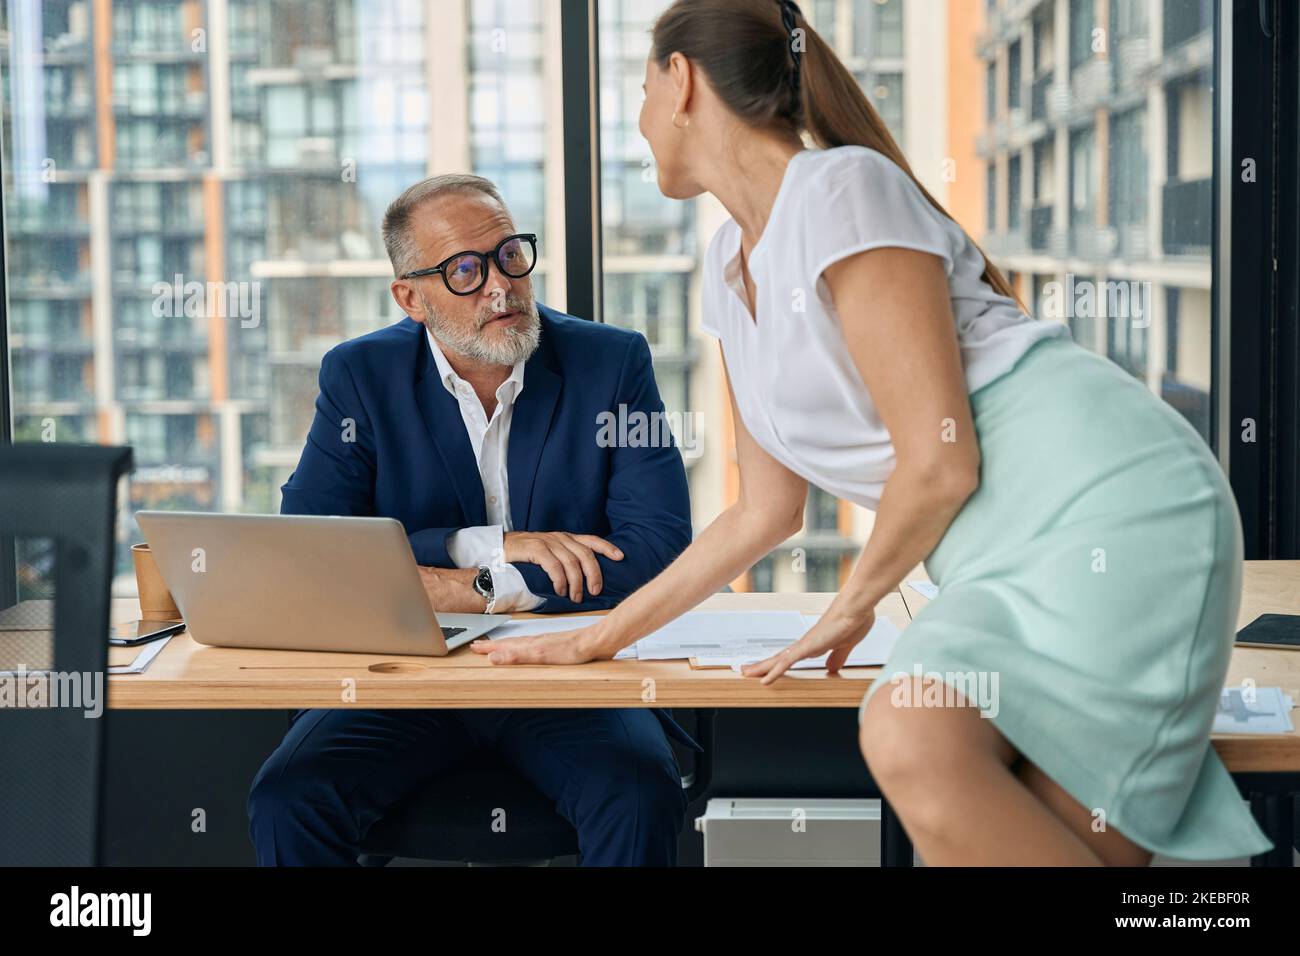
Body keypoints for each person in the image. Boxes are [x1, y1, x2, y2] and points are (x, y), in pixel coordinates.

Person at [472, 0, 1273, 865]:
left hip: (1106, 508)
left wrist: (851, 604)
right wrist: (604, 633)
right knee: (1021, 815)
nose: (636, 119)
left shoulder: (840, 187)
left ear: (682, 81)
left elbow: (938, 460)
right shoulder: (727, 266)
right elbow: (765, 513)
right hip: (986, 562)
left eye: (638, 88)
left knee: (912, 736)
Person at [248, 174, 696, 866]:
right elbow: (314, 552)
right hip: (407, 677)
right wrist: (492, 549)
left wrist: (478, 585)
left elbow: (659, 549)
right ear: (411, 297)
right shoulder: (359, 376)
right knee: (287, 798)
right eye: (465, 269)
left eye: (511, 254)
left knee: (639, 794)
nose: (501, 287)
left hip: (567, 673)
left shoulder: (612, 364)